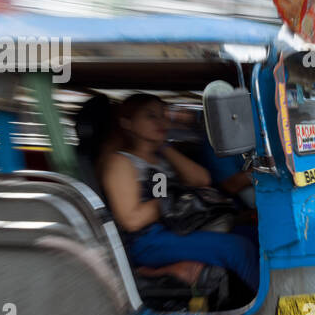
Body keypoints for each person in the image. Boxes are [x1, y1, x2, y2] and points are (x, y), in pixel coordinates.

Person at [99, 93, 259, 293]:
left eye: (163, 115)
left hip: (177, 227)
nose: (161, 121)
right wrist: (170, 201)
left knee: (256, 235)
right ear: (128, 123)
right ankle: (269, 304)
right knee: (237, 248)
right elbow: (131, 220)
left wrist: (164, 147)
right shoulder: (122, 162)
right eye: (151, 116)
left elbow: (201, 179)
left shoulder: (160, 158)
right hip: (149, 240)